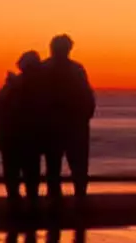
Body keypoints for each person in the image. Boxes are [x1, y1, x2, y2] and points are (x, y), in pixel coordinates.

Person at [40, 33, 96, 201]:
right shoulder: (73, 69)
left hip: (65, 124)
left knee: (59, 165)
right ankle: (75, 197)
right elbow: (87, 96)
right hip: (65, 124)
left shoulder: (48, 69)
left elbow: (87, 96)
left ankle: (65, 198)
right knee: (70, 165)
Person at [0, 50, 43, 214]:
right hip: (24, 137)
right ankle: (28, 206)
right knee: (29, 174)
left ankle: (17, 205)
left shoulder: (12, 86)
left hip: (14, 137)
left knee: (14, 173)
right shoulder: (34, 87)